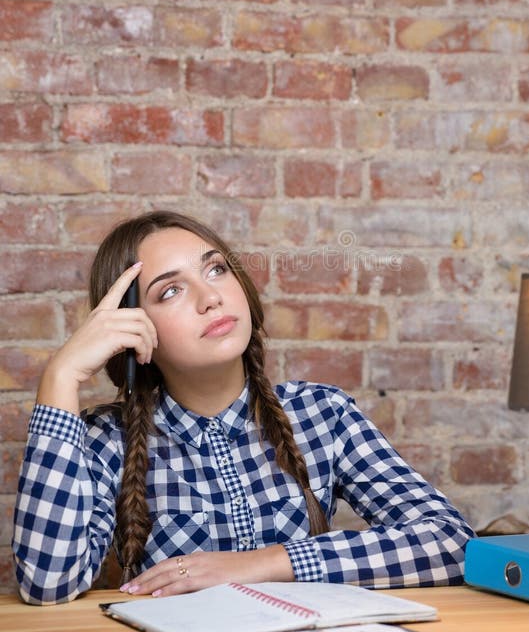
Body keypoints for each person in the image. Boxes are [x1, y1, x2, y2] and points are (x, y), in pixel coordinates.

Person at [13, 210, 475, 605]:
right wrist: (61, 376)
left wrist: (265, 564)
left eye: (216, 271)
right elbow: (47, 583)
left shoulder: (322, 414)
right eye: (170, 291)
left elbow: (451, 542)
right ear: (131, 327)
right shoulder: (105, 439)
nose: (210, 297)